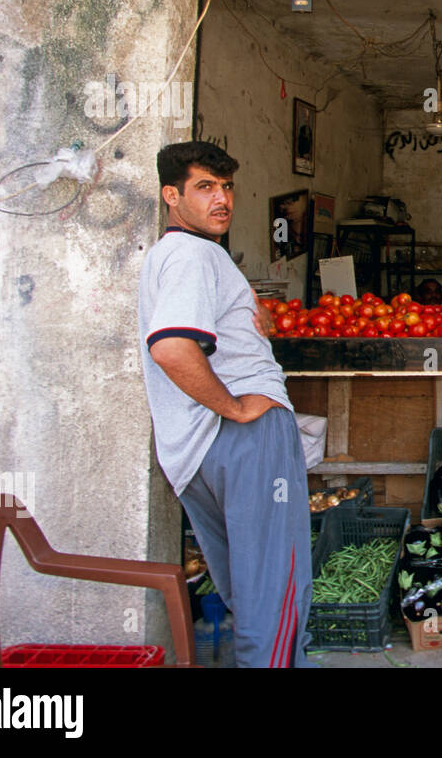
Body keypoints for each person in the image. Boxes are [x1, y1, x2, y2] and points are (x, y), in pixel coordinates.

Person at [138, 141, 313, 667]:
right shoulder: (193, 255)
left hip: (193, 450)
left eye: (227, 188)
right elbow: (171, 346)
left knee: (247, 586)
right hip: (241, 438)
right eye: (205, 188)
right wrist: (235, 407)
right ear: (172, 196)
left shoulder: (174, 256)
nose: (222, 200)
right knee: (274, 590)